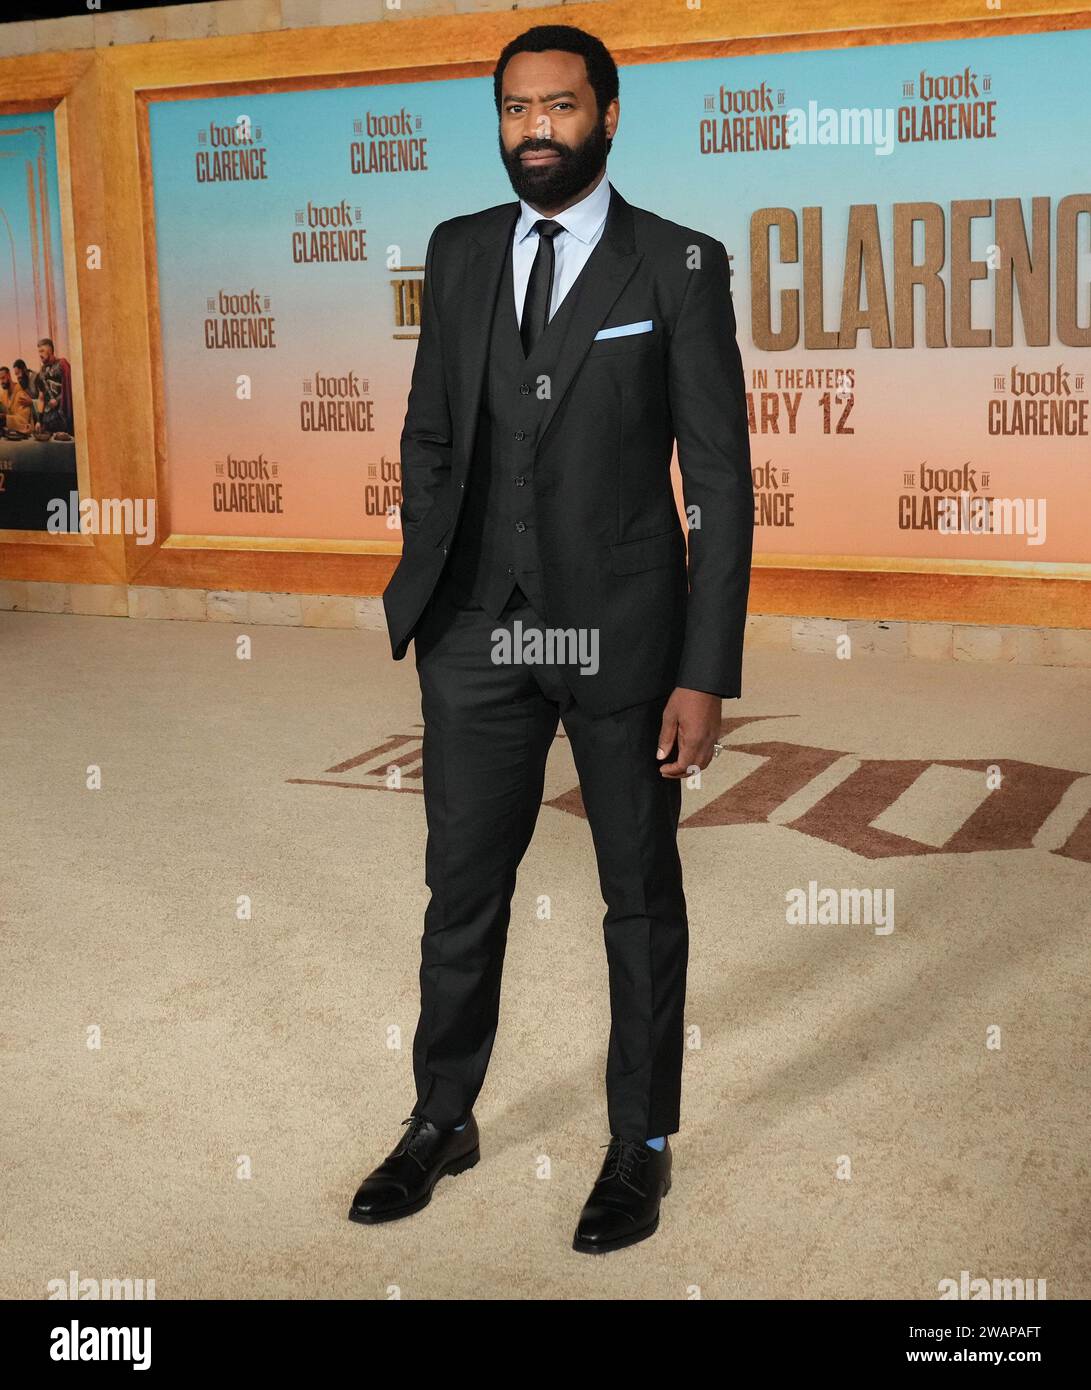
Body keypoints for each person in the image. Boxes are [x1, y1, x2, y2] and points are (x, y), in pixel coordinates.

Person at [351, 23, 753, 1254]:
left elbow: (717, 480)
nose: (536, 129)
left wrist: (703, 669)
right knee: (460, 887)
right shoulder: (460, 248)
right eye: (516, 109)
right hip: (476, 632)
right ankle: (441, 1115)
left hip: (622, 636)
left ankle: (639, 1142)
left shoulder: (676, 264)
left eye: (560, 107)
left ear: (607, 115)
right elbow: (429, 431)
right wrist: (440, 583)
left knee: (637, 895)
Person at [34, 338, 74, 434]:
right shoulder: (41, 372)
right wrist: (39, 420)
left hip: (63, 417)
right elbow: (41, 398)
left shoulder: (62, 364)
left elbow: (70, 389)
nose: (40, 355)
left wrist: (58, 400)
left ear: (50, 350)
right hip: (48, 420)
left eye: (42, 351)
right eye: (39, 351)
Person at [0, 363, 35, 433]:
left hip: (25, 434)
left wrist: (5, 418)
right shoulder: (3, 395)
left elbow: (24, 421)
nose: (1, 382)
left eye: (3, 378)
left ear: (9, 376)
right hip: (9, 433)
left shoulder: (21, 394)